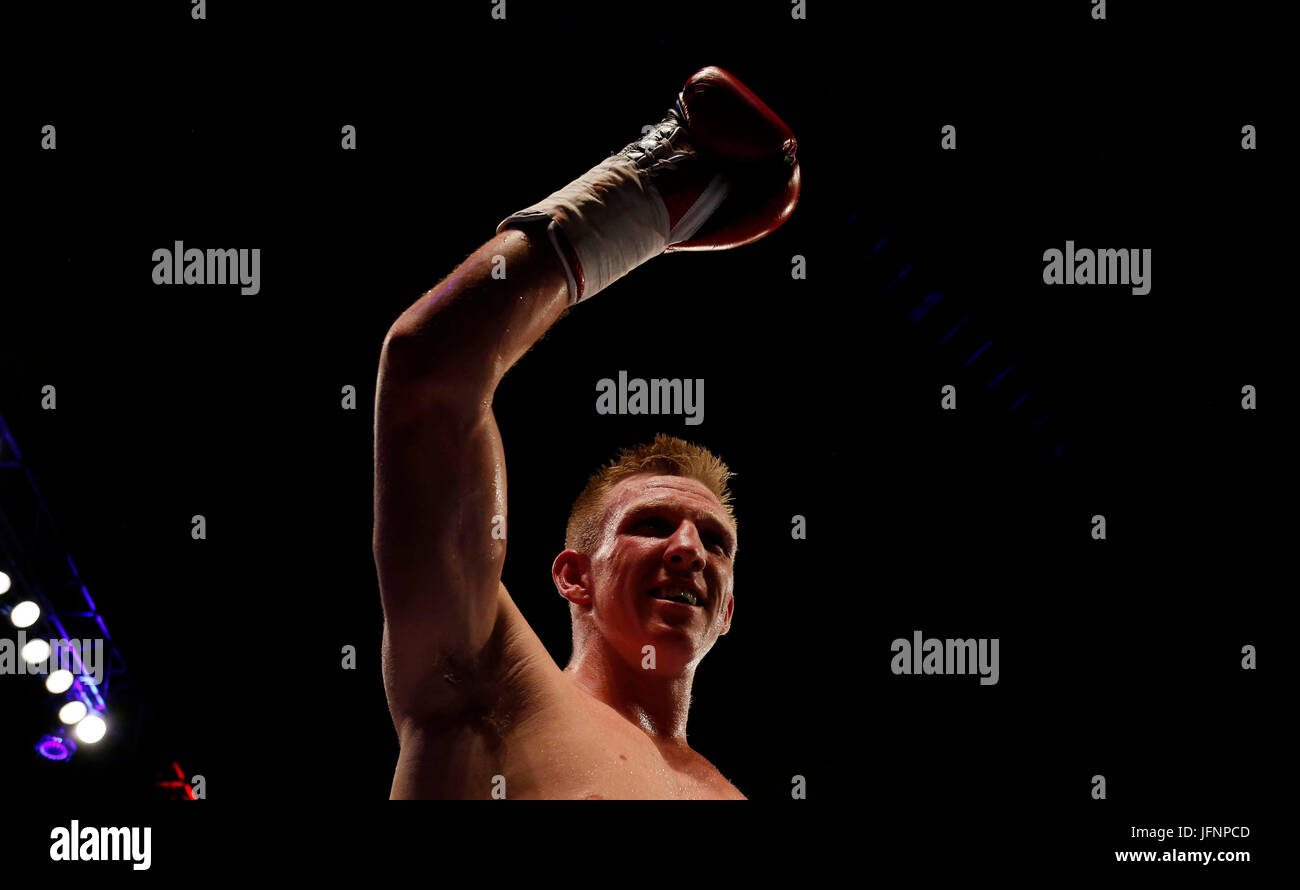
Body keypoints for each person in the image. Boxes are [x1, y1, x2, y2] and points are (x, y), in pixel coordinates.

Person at [373, 67, 799, 798]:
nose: (690, 549)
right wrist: (642, 200)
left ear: (729, 612)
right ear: (575, 576)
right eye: (651, 524)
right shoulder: (487, 685)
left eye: (716, 539)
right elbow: (428, 375)